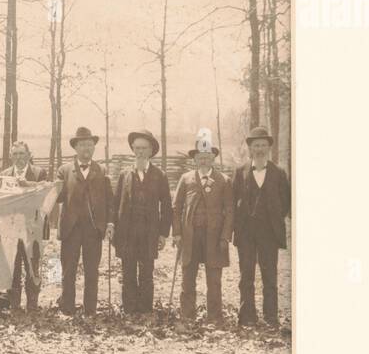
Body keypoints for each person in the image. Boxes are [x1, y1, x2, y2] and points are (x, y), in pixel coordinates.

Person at [230, 125, 290, 328]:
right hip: (246, 233)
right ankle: (247, 316)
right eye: (256, 145)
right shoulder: (240, 172)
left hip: (269, 234)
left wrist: (270, 220)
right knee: (246, 276)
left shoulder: (279, 173)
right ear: (250, 149)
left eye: (264, 145)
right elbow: (233, 200)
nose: (260, 149)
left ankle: (271, 317)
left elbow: (285, 203)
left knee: (270, 276)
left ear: (269, 149)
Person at [172, 137, 234, 326]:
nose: (203, 160)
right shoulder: (186, 178)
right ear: (195, 159)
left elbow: (230, 210)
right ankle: (187, 316)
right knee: (188, 277)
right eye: (200, 157)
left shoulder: (223, 180)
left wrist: (225, 236)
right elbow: (177, 207)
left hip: (214, 237)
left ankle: (214, 317)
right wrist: (177, 233)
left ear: (213, 158)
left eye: (207, 156)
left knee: (214, 279)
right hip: (190, 236)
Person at [111, 129, 173, 315]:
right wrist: (112, 227)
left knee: (146, 273)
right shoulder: (125, 175)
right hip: (127, 233)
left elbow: (167, 207)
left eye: (143, 148)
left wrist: (163, 233)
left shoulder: (159, 175)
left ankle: (145, 310)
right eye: (136, 148)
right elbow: (115, 204)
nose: (139, 152)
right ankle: (129, 310)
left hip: (149, 233)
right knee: (128, 272)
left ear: (151, 150)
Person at [55, 126, 112, 317]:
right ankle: (67, 309)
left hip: (93, 229)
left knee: (92, 272)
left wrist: (109, 224)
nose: (87, 148)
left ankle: (90, 310)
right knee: (68, 271)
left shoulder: (101, 171)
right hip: (71, 229)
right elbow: (58, 197)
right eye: (82, 145)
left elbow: (109, 201)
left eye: (90, 145)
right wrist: (54, 189)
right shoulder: (64, 170)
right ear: (76, 148)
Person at [0, 139, 47, 312]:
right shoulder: (4, 174)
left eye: (22, 153)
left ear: (28, 155)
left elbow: (45, 192)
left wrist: (29, 185)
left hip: (32, 229)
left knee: (32, 267)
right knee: (13, 267)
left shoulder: (39, 173)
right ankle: (14, 305)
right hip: (10, 229)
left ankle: (32, 305)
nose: (19, 157)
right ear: (11, 156)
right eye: (15, 154)